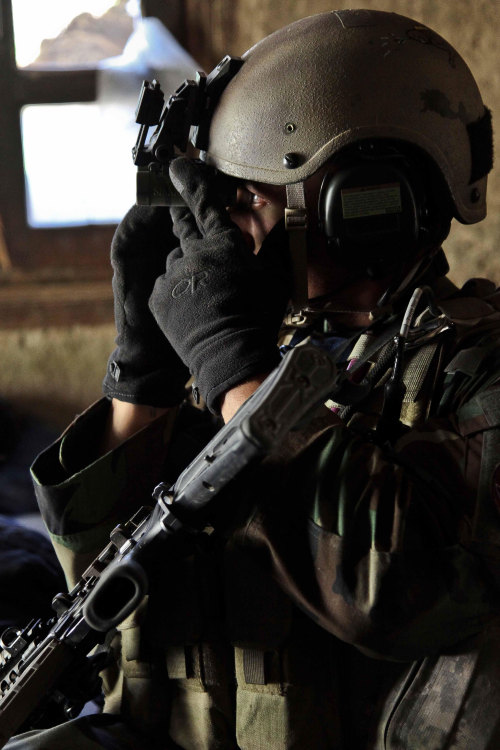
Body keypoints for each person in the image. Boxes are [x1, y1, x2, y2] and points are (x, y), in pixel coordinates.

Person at [6, 8, 500, 749]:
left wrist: (238, 371)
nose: (227, 233)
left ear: (363, 205)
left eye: (247, 201)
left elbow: (399, 595)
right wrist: (141, 380)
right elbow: (101, 586)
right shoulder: (266, 350)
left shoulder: (471, 367)